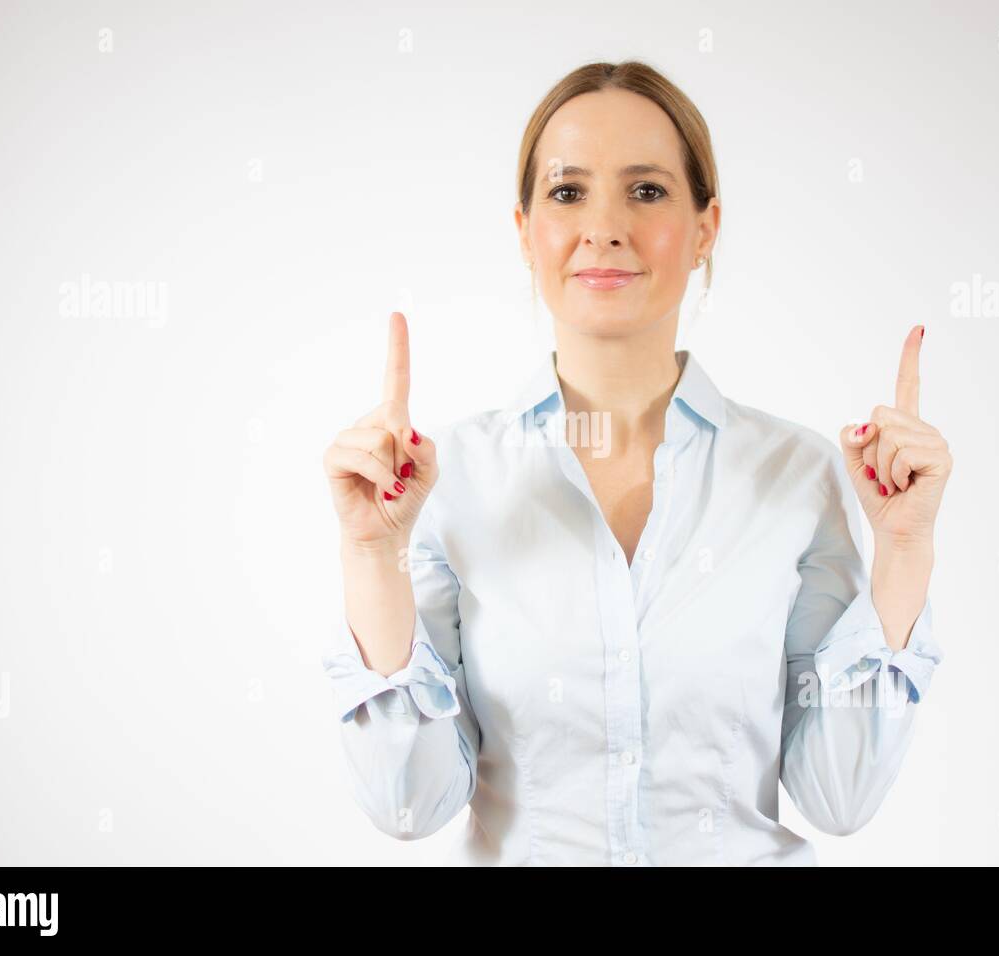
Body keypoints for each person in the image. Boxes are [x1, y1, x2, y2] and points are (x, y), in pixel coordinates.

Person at [321, 61, 951, 866]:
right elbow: (410, 805)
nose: (604, 226)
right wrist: (373, 554)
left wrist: (905, 548)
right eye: (567, 191)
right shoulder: (448, 483)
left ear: (705, 227)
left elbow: (838, 796)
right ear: (524, 230)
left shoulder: (795, 474)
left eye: (647, 191)